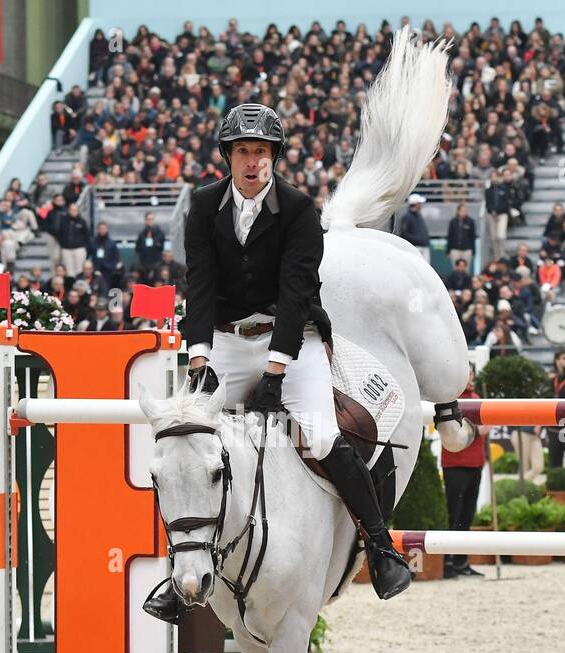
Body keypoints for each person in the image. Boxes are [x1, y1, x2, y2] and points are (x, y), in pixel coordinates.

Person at [143, 102, 412, 625]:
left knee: (319, 436)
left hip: (293, 339)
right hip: (224, 340)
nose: (251, 161)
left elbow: (295, 295)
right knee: (190, 442)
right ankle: (182, 575)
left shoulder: (298, 210)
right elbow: (198, 286)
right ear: (229, 156)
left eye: (260, 152)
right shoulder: (202, 207)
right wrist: (198, 357)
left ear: (272, 158)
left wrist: (275, 370)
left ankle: (381, 549)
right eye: (243, 150)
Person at [440, 381, 486, 578]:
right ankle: (447, 561)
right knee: (454, 513)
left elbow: (487, 429)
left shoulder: (477, 400)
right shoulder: (449, 401)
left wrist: (468, 430)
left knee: (467, 514)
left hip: (475, 462)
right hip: (454, 463)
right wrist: (475, 429)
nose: (470, 377)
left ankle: (461, 560)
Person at [398, 194, 431, 264]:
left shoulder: (419, 216)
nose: (421, 205)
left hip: (423, 246)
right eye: (419, 203)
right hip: (415, 247)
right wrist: (417, 240)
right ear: (415, 204)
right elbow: (404, 234)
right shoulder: (406, 217)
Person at [446, 203, 477, 273]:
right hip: (455, 249)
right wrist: (448, 251)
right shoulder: (453, 222)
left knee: (466, 270)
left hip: (467, 249)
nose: (463, 212)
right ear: (458, 211)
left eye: (465, 211)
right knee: (455, 269)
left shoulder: (470, 221)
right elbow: (450, 237)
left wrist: (473, 251)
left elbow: (472, 237)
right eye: (462, 210)